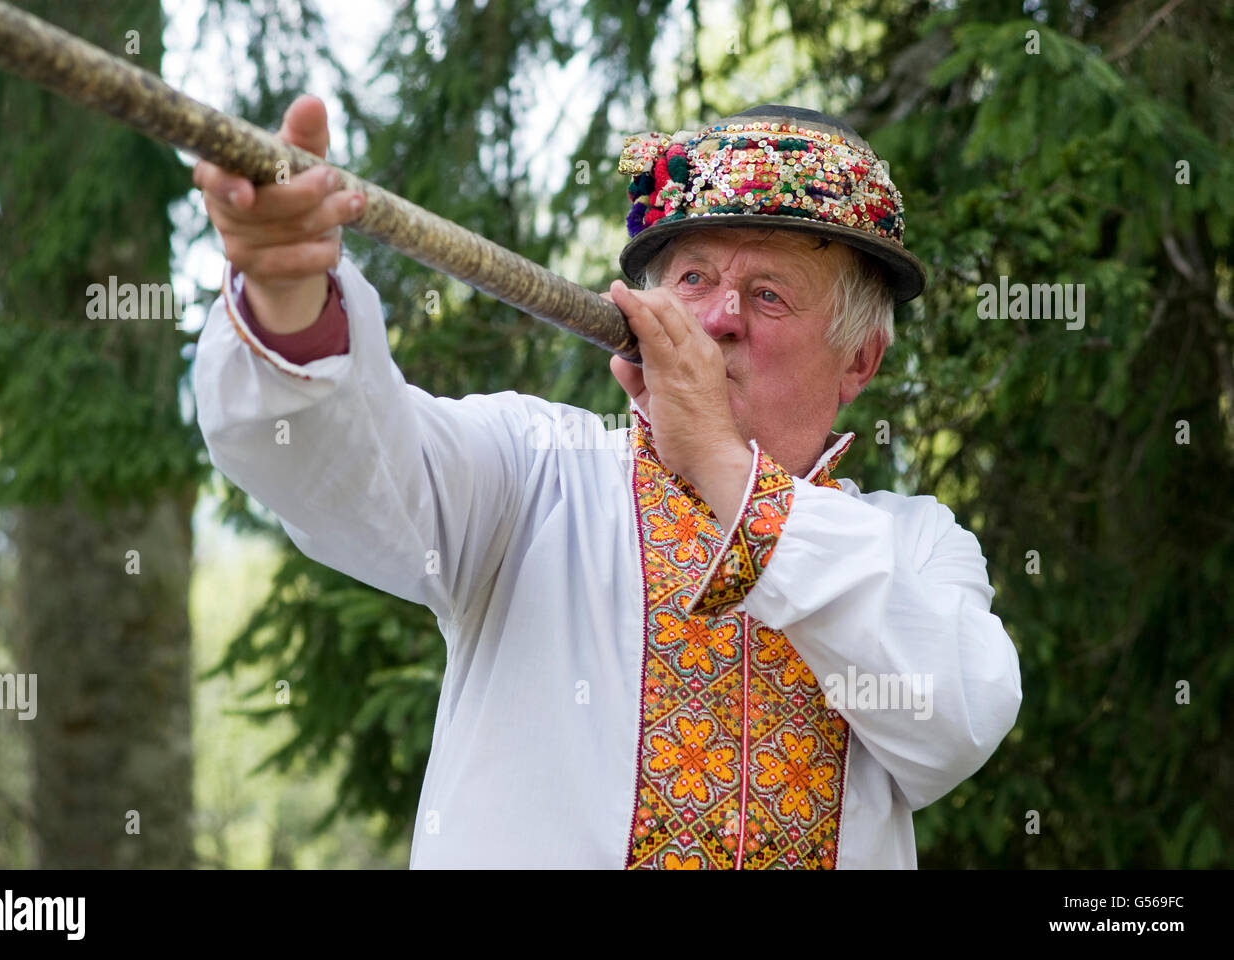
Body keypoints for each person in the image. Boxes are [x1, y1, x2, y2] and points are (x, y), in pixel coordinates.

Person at [191, 95, 1022, 869]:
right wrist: (288, 293)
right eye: (693, 280)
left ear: (859, 360)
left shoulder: (916, 546)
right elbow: (333, 463)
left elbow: (951, 725)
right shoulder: (535, 473)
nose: (719, 317)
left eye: (767, 295)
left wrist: (723, 463)